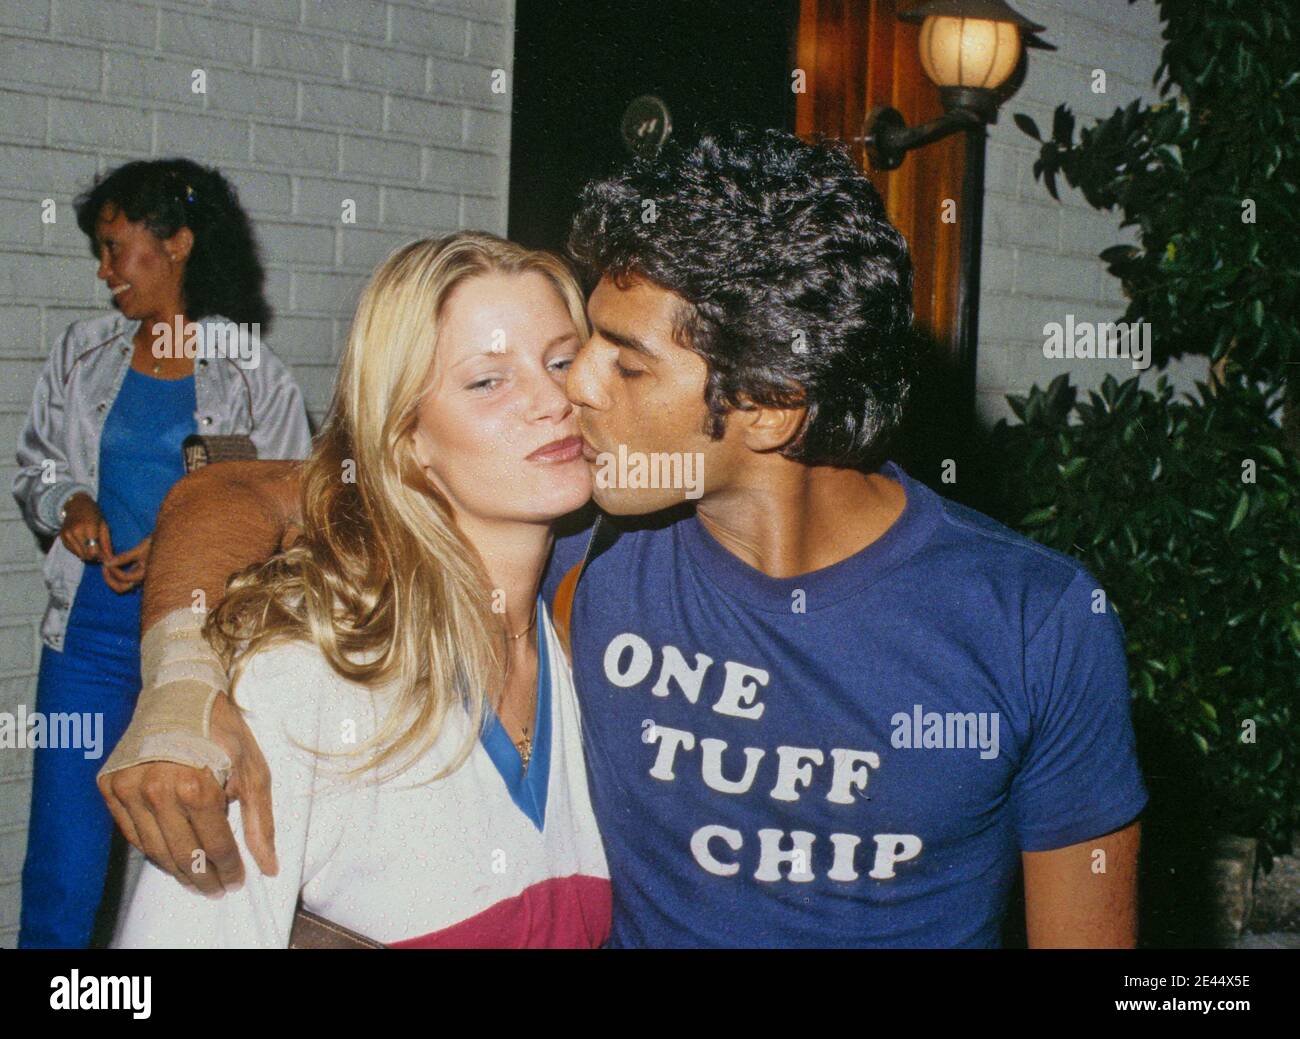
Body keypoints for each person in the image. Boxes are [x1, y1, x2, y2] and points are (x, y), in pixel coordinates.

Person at [99, 125, 1148, 948]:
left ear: (772, 406)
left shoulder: (1035, 618)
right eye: (569, 350)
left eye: (617, 363)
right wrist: (183, 673)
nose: (571, 395)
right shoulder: (589, 539)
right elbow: (228, 494)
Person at [111, 232, 611, 948]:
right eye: (488, 380)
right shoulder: (305, 677)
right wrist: (178, 673)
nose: (553, 401)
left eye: (562, 361)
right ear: (407, 436)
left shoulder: (584, 637)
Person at [13, 158, 312, 948]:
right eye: (100, 252)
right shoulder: (82, 355)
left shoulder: (255, 374)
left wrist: (184, 548)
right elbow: (36, 467)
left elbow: (288, 515)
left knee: (184, 876)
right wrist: (67, 504)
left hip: (197, 659)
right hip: (83, 648)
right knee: (62, 869)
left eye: (117, 248)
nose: (104, 269)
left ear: (178, 243)